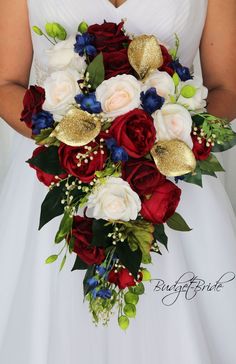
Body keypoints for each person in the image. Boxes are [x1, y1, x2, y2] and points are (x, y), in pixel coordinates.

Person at [0, 0, 235, 363]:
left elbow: (226, 88)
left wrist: (160, 138)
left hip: (171, 179)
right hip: (54, 177)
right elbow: (6, 83)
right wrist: (76, 140)